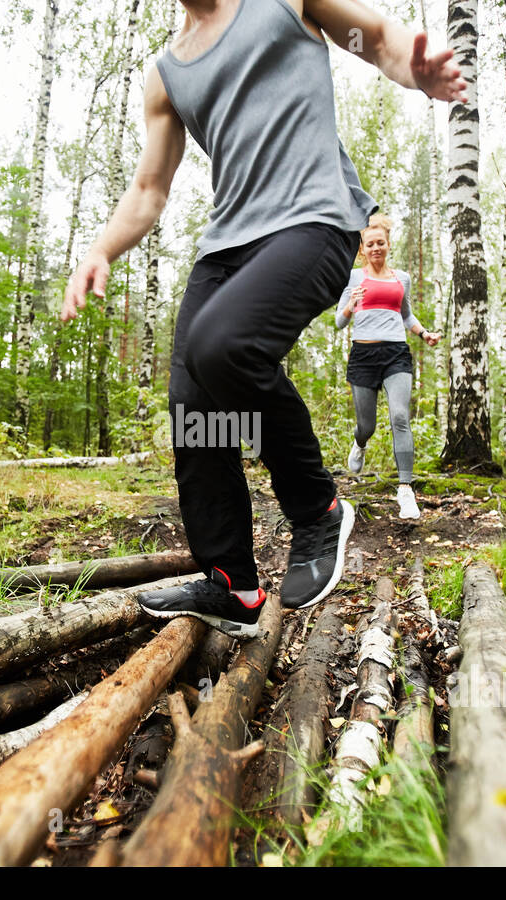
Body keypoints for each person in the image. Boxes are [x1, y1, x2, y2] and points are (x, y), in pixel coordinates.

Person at [61, 0, 466, 637]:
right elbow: (149, 188)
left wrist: (413, 69)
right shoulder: (165, 72)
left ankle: (318, 507)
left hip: (316, 220)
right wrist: (100, 249)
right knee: (193, 404)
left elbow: (378, 36)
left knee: (221, 345)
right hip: (226, 245)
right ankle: (233, 583)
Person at [336, 213, 441, 519]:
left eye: (381, 242)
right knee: (367, 425)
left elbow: (406, 315)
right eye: (370, 244)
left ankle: (406, 490)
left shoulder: (401, 278)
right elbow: (339, 322)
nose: (376, 248)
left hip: (396, 354)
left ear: (388, 244)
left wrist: (424, 333)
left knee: (399, 416)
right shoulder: (353, 278)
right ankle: (360, 443)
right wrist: (350, 305)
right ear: (362, 249)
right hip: (364, 356)